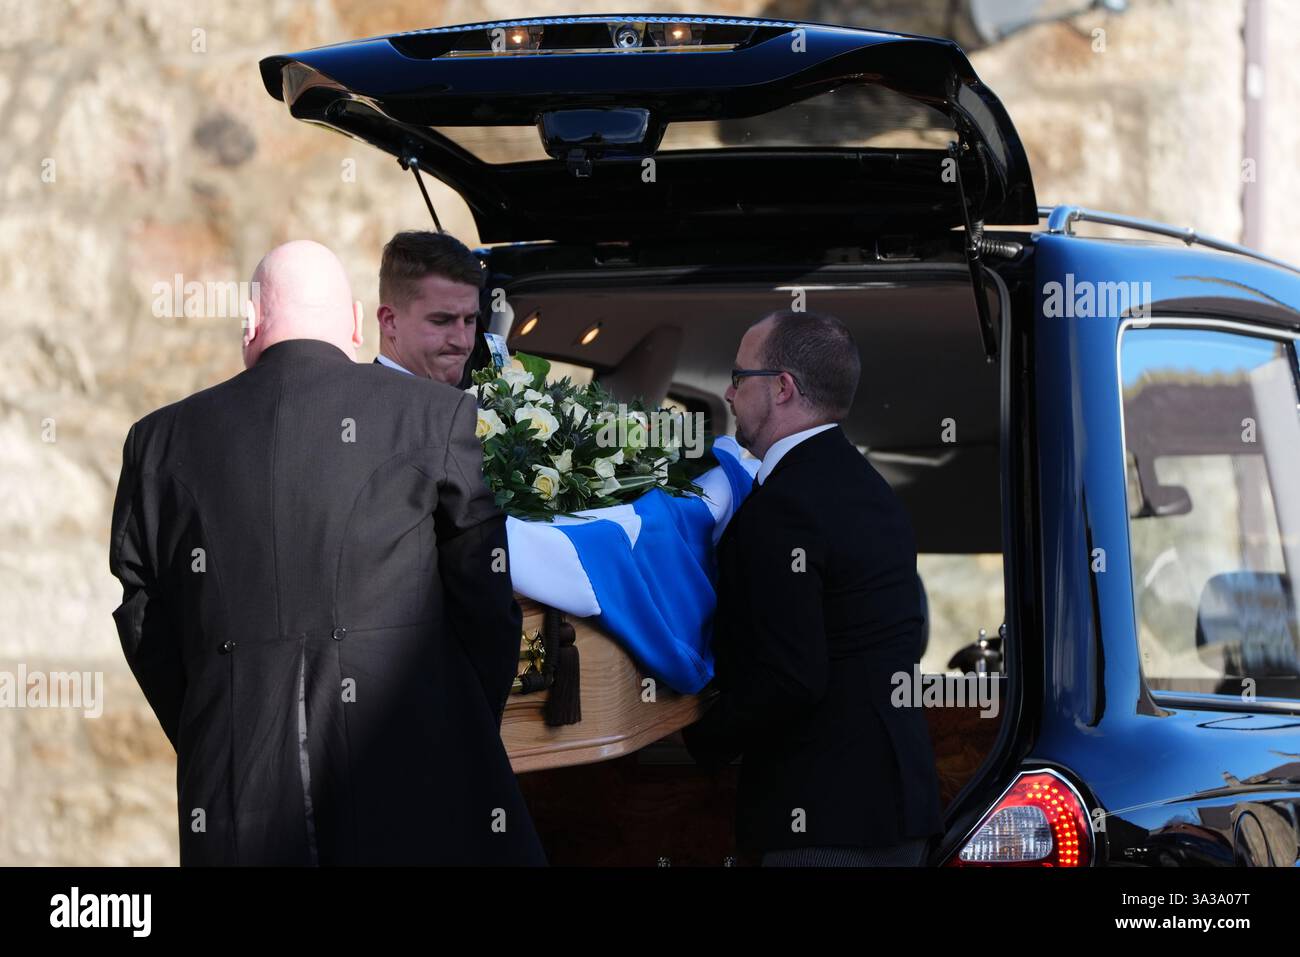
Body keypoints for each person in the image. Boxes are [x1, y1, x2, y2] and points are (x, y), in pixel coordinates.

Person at [108, 240, 545, 866]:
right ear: (357, 325)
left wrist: (218, 718)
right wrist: (454, 719)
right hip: (412, 770)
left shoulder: (159, 441)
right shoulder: (439, 417)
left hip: (237, 793)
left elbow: (144, 620)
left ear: (250, 324)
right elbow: (485, 599)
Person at [682, 309, 943, 867]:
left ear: (782, 387)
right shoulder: (870, 488)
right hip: (894, 801)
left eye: (739, 376)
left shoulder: (785, 505)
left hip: (823, 817)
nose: (728, 393)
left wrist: (698, 738)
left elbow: (792, 677)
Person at [374, 230, 491, 387]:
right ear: (390, 321)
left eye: (470, 320)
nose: (462, 341)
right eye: (441, 321)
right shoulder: (361, 407)